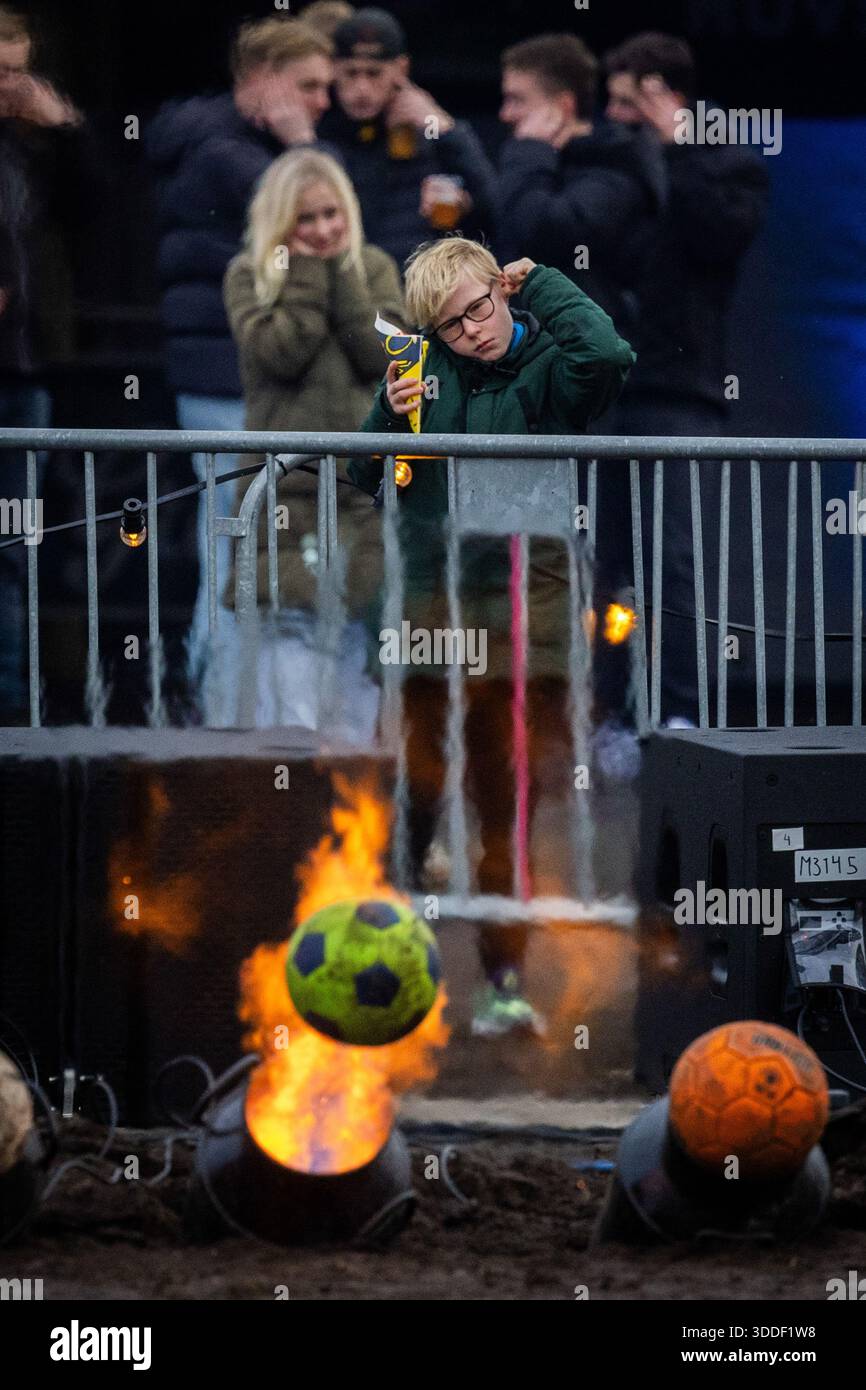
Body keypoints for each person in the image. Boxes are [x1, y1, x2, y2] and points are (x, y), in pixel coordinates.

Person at [348, 237, 634, 1036]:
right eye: (452, 323)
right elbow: (365, 475)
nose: (473, 328)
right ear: (433, 333)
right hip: (428, 627)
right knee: (412, 807)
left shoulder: (551, 370)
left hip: (520, 633)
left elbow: (609, 353)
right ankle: (383, 984)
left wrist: (542, 280)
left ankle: (504, 986)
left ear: (503, 295)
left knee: (505, 812)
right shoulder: (421, 378)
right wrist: (387, 414)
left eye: (481, 306)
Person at [145, 17, 335, 694]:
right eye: (309, 86)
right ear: (264, 78)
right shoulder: (228, 153)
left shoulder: (228, 143)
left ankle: (231, 701)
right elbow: (327, 225)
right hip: (233, 378)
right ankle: (226, 706)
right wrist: (304, 145)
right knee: (239, 543)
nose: (323, 102)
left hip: (232, 375)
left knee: (238, 539)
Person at [600, 31, 770, 731]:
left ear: (661, 96)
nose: (613, 116)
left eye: (625, 102)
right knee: (606, 564)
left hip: (682, 393)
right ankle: (610, 710)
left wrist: (677, 147)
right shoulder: (609, 160)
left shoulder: (726, 162)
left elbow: (719, 236)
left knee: (674, 564)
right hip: (607, 388)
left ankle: (679, 714)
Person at [216, 149, 405, 739]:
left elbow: (384, 352)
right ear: (279, 223)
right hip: (283, 492)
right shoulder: (248, 273)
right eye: (306, 220)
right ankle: (292, 808)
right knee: (290, 662)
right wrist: (304, 278)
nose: (324, 230)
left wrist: (342, 277)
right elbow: (279, 352)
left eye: (332, 215)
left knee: (354, 653)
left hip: (362, 488)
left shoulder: (372, 265)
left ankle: (346, 819)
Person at [0, 3, 89, 721]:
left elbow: (103, 211)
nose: (10, 87)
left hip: (25, 368)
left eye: (18, 72)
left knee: (15, 540)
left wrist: (66, 132)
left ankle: (10, 706)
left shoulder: (33, 144)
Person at [496, 32, 666, 341]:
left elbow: (549, 230)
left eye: (517, 100)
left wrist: (529, 150)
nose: (505, 113)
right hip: (526, 354)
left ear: (563, 106)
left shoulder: (615, 164)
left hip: (584, 358)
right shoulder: (535, 163)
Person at [319, 8, 497, 267]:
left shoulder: (432, 130)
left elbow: (493, 208)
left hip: (420, 283)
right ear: (334, 70)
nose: (361, 88)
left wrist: (445, 130)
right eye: (351, 73)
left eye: (373, 73)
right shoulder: (321, 123)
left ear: (401, 69)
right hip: (350, 278)